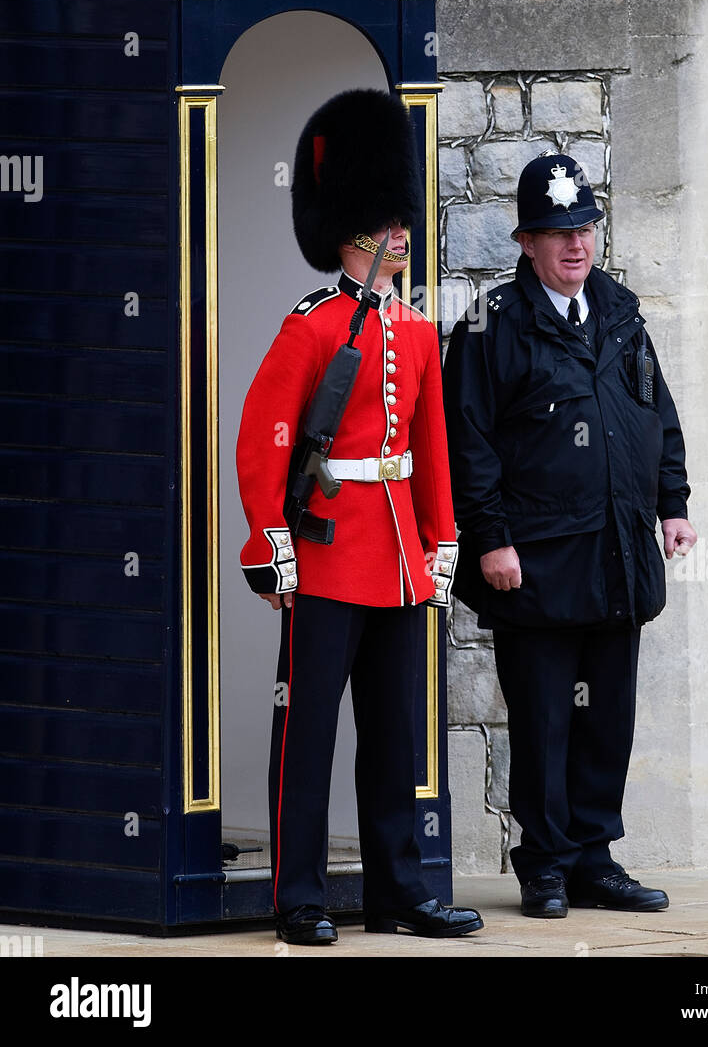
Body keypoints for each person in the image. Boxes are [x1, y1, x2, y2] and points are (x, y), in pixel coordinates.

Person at [236, 89, 482, 945]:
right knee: (308, 740)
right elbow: (264, 443)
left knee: (394, 739)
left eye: (400, 218)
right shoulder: (311, 327)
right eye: (386, 220)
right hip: (329, 555)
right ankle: (297, 898)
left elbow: (431, 450)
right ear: (351, 232)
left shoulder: (415, 332)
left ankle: (398, 892)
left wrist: (441, 539)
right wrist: (270, 540)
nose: (402, 234)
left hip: (399, 559)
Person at [442, 153, 697, 918]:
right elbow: (469, 443)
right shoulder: (494, 327)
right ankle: (545, 864)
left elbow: (658, 414)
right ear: (526, 242)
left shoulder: (620, 313)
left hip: (617, 556)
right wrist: (490, 539)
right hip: (538, 564)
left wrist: (673, 502)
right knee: (547, 719)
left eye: (584, 227)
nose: (575, 244)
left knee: (605, 717)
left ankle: (594, 857)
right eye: (557, 233)